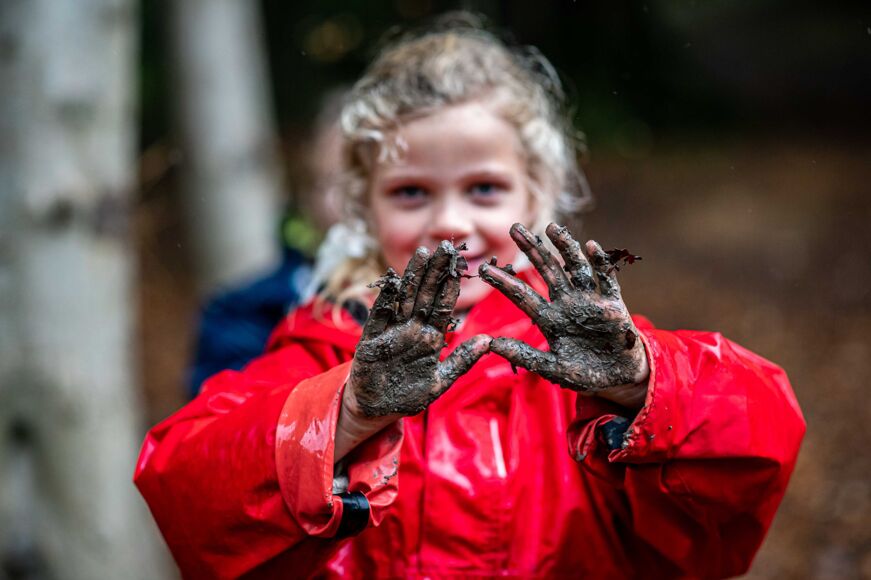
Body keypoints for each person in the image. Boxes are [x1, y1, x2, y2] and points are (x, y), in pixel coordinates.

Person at [135, 15, 805, 579]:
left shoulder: (592, 354)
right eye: (410, 193)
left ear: (538, 195)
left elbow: (750, 461)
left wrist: (641, 385)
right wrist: (346, 412)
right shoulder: (324, 345)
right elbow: (186, 485)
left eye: (483, 188)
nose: (450, 222)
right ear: (363, 213)